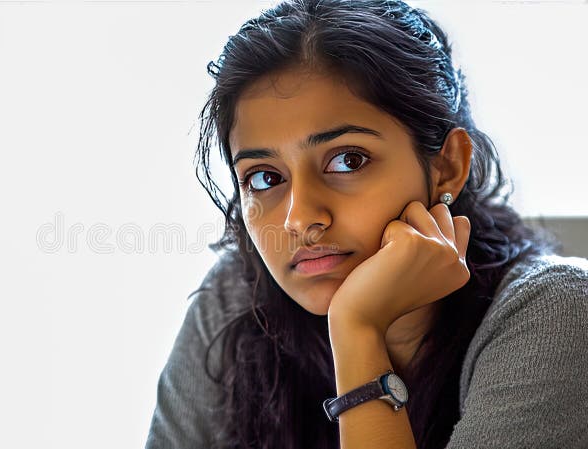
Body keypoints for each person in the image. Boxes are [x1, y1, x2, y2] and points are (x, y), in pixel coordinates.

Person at [145, 1, 588, 448]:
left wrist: (358, 330)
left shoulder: (557, 315)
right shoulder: (238, 300)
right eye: (265, 177)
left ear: (448, 166)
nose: (300, 219)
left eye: (347, 160)